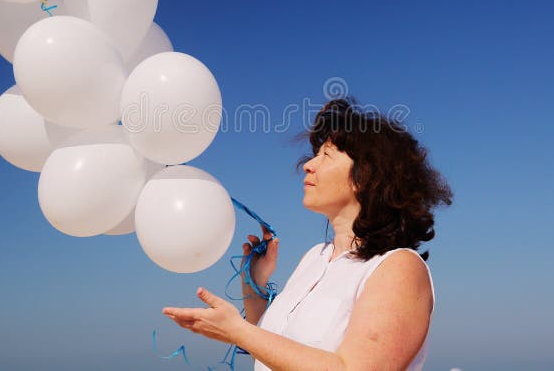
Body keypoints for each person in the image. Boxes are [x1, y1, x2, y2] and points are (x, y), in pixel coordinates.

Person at [163, 97, 454, 370]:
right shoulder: (315, 256)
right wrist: (252, 282)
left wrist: (237, 331)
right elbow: (276, 348)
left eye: (326, 155)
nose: (308, 165)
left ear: (366, 176)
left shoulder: (399, 267)